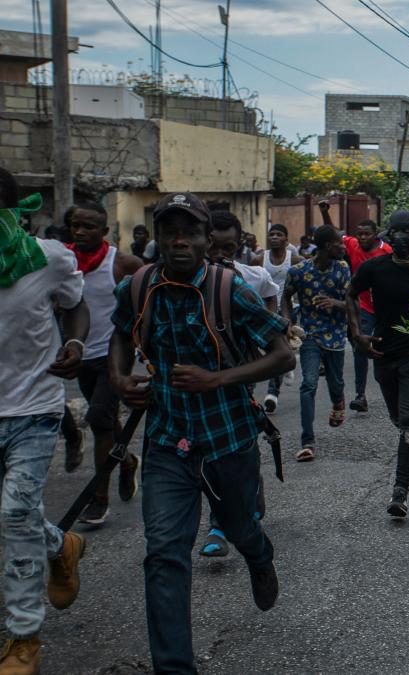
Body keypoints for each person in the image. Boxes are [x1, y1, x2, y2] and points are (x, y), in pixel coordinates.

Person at [109, 192, 294, 673]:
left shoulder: (229, 290)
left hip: (228, 439)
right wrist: (120, 378)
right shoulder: (138, 287)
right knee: (164, 554)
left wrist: (217, 378)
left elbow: (282, 355)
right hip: (167, 441)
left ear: (207, 239)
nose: (178, 241)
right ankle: (175, 668)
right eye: (169, 232)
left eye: (189, 232)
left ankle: (258, 555)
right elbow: (118, 333)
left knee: (239, 526)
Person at [0, 168, 88, 672]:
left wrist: (74, 343)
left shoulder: (49, 258)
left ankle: (23, 637)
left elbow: (76, 308)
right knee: (17, 520)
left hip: (34, 407)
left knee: (13, 514)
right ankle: (61, 543)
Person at [347, 212, 409, 518]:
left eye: (408, 231)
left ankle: (399, 492)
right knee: (399, 420)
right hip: (382, 353)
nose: (402, 236)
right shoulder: (373, 268)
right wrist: (357, 334)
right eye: (397, 231)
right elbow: (350, 295)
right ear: (389, 234)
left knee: (406, 420)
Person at [202, 209, 281, 557]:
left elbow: (273, 314)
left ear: (240, 247)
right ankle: (224, 517)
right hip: (195, 381)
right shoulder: (185, 282)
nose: (221, 257)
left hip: (239, 378)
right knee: (208, 452)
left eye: (229, 249)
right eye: (213, 249)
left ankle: (226, 520)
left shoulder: (253, 277)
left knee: (233, 448)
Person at [63, 201, 144, 526]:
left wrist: (142, 342)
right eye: (75, 226)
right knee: (107, 422)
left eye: (89, 227)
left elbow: (149, 298)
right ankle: (126, 462)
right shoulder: (62, 262)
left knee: (98, 418)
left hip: (114, 357)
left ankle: (99, 499)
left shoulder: (122, 263)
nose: (80, 232)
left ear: (104, 231)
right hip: (80, 356)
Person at [283, 224, 350, 461]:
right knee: (308, 385)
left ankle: (338, 402)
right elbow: (286, 298)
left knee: (336, 383)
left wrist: (334, 303)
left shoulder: (342, 269)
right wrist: (288, 322)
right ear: (327, 246)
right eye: (340, 243)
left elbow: (351, 303)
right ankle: (307, 442)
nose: (343, 247)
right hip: (310, 335)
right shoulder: (299, 271)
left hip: (337, 335)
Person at [325, 206, 393, 415]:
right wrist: (324, 212)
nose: (362, 237)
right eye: (359, 234)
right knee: (360, 346)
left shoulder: (387, 251)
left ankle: (391, 385)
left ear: (376, 234)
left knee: (387, 347)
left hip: (384, 306)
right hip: (362, 305)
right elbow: (332, 233)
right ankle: (360, 395)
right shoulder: (352, 245)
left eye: (367, 234)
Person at [258, 223, 301, 413]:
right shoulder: (259, 259)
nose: (274, 237)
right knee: (270, 352)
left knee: (278, 348)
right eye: (271, 234)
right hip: (265, 310)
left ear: (286, 238)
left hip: (287, 310)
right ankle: (287, 365)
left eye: (278, 234)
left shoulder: (295, 260)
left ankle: (272, 394)